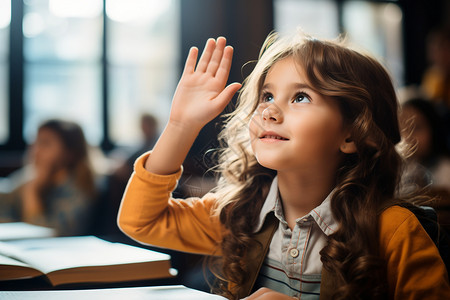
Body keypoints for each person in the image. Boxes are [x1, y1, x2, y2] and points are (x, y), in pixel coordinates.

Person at [117, 33, 450, 299]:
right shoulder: (240, 214)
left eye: (300, 97)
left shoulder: (393, 231)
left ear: (352, 133)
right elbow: (141, 221)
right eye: (267, 96)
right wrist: (180, 126)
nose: (269, 112)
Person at [0, 119, 97, 236]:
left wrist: (31, 192)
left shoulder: (81, 187)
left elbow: (49, 235)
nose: (36, 151)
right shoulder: (30, 176)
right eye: (35, 143)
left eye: (45, 144)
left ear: (70, 152)